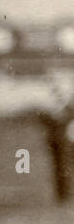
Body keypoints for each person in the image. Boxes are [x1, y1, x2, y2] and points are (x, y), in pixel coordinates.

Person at [37, 75, 72, 204]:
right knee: (58, 167)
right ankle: (61, 194)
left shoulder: (67, 107)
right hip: (54, 140)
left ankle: (65, 193)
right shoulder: (50, 108)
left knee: (64, 166)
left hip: (66, 141)